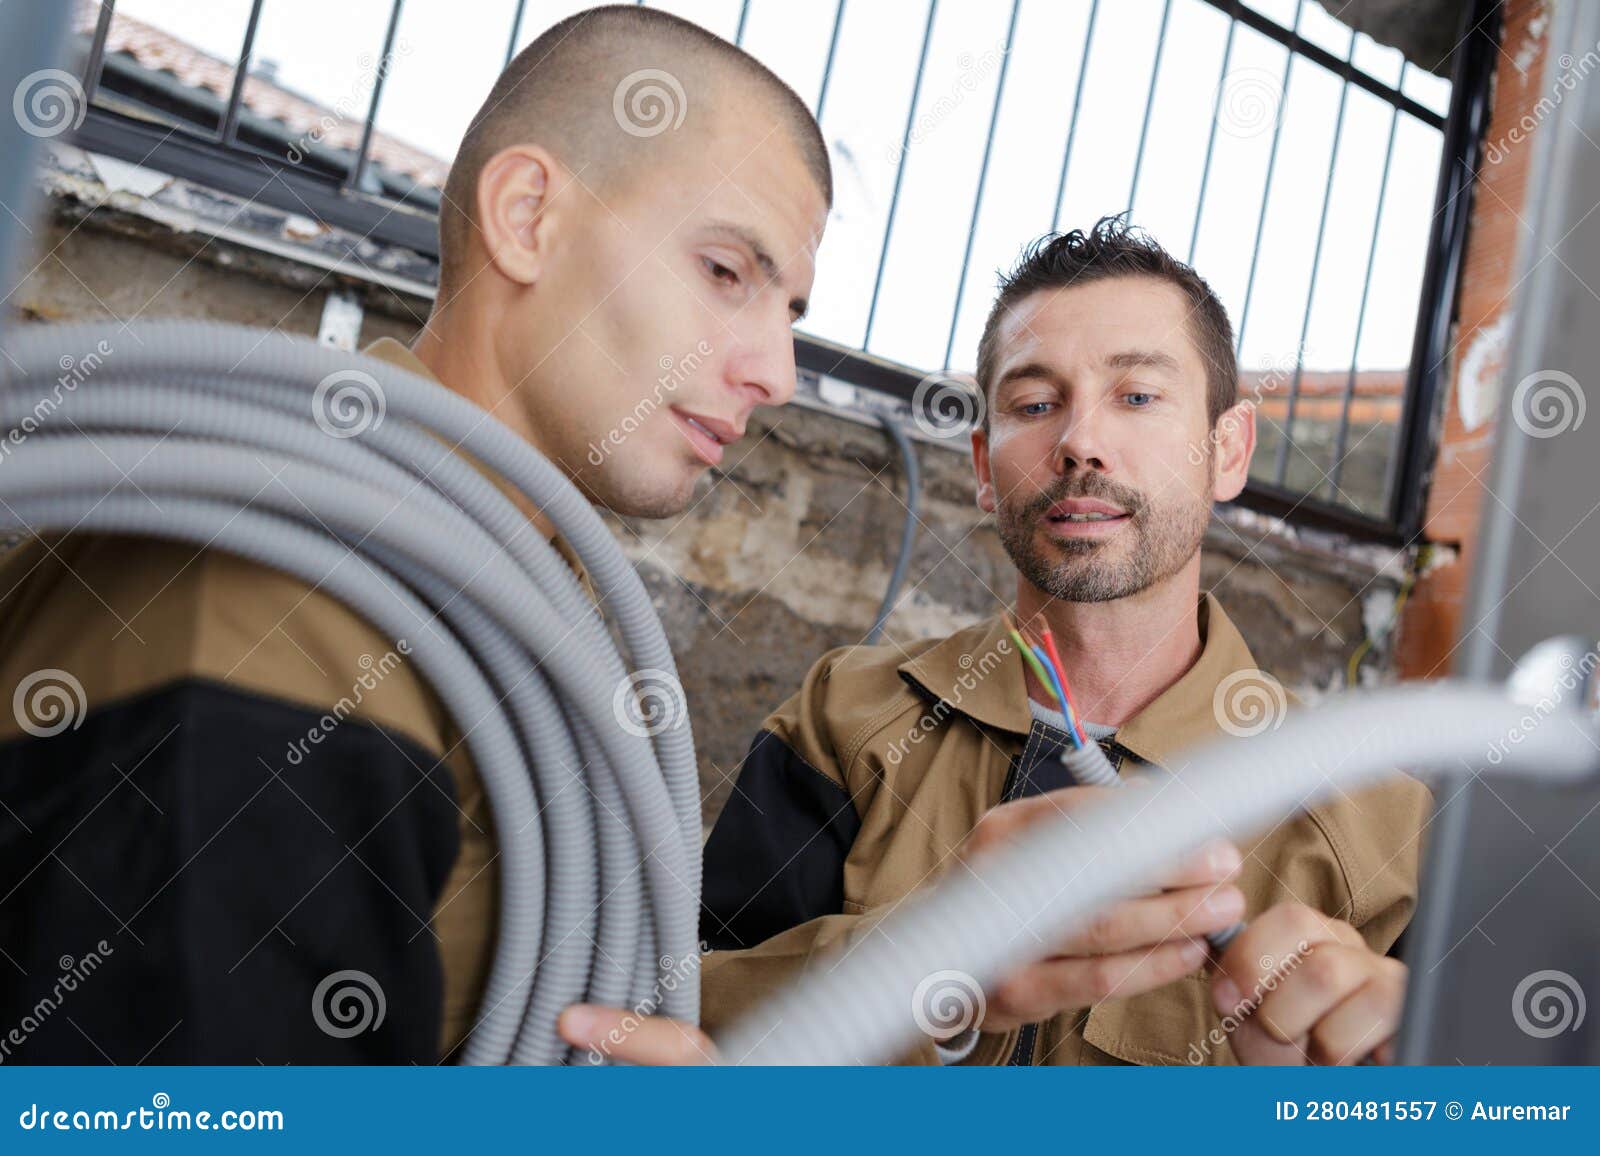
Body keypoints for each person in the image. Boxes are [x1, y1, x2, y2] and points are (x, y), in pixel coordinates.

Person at [0, 3, 828, 1063]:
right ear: (526, 216)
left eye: (790, 310)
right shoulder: (284, 592)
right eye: (726, 273)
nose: (778, 372)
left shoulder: (521, 611)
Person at [675, 216, 1431, 1066]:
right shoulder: (843, 722)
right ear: (983, 464)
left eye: (1138, 397)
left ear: (1228, 450)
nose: (1080, 443)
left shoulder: (1379, 821)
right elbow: (682, 1025)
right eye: (1035, 405)